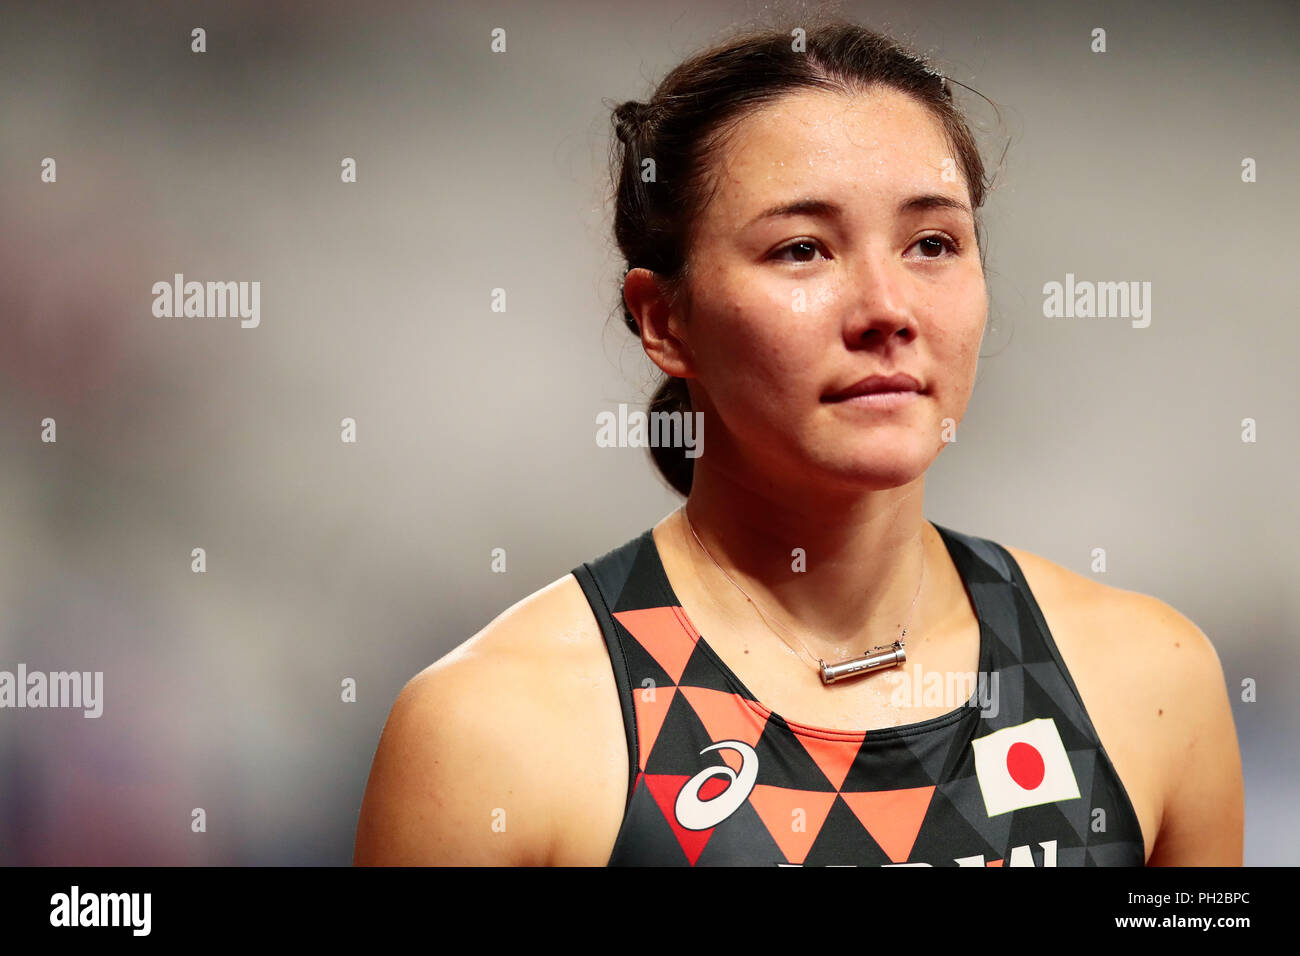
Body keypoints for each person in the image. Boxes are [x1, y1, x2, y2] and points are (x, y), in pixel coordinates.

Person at [354, 19, 1243, 866]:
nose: (887, 311)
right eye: (802, 250)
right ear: (664, 320)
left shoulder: (1150, 683)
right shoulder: (493, 730)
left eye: (932, 243)